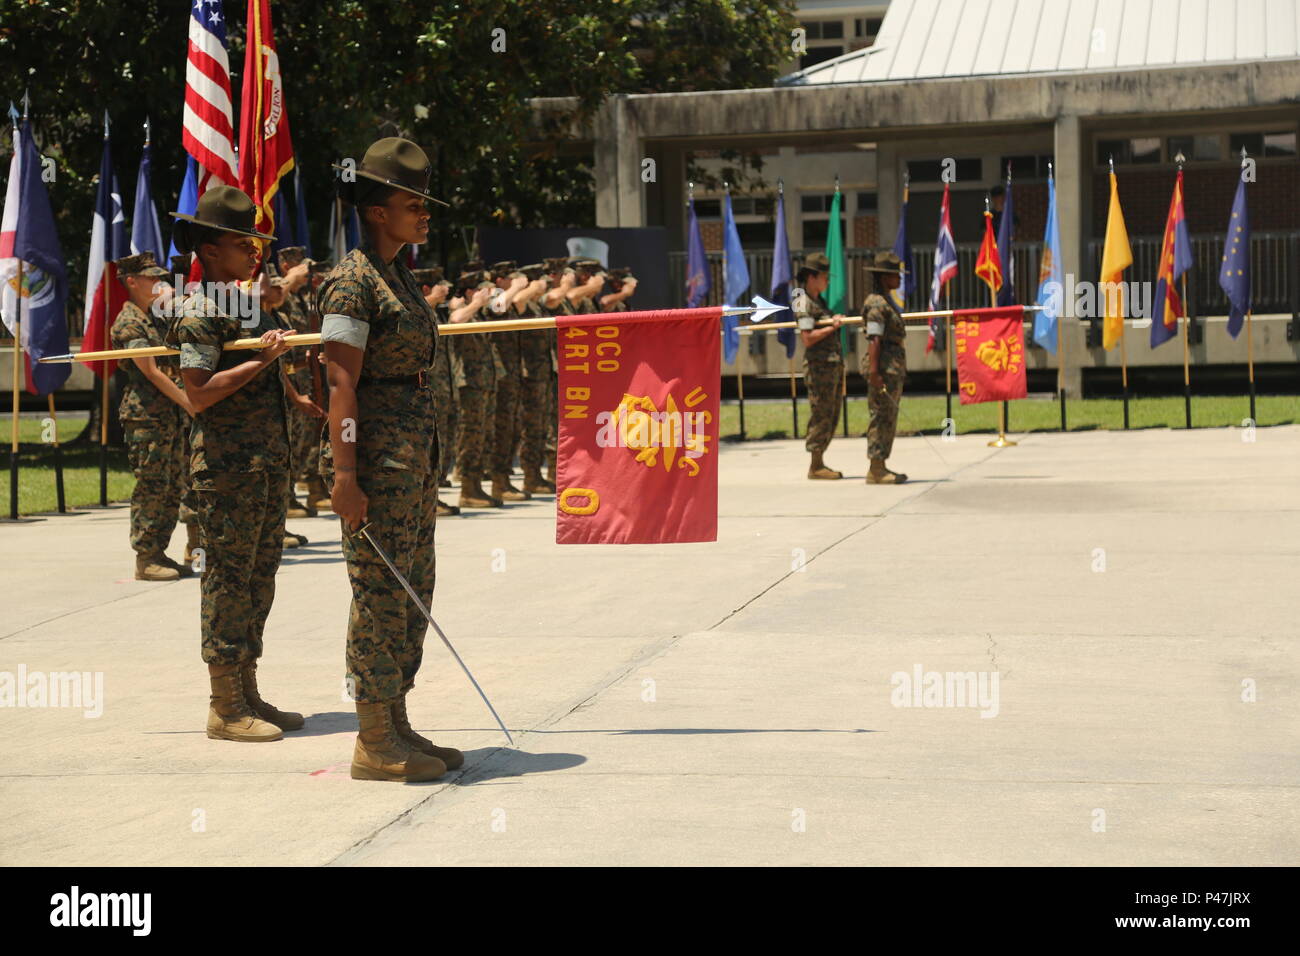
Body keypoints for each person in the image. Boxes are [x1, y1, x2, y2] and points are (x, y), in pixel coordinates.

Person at [319, 137, 462, 782]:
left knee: (413, 592)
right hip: (375, 461)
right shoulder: (352, 282)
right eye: (413, 205)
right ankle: (372, 737)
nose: (424, 215)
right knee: (378, 594)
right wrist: (344, 475)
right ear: (377, 210)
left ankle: (396, 719)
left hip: (412, 461)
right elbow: (339, 383)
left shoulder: (399, 273)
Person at [168, 185, 303, 744]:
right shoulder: (200, 311)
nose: (256, 253)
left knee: (259, 578)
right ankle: (224, 706)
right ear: (210, 250)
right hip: (226, 469)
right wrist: (261, 358)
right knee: (228, 580)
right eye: (244, 243)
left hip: (264, 463)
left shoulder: (243, 305)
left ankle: (247, 689)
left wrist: (290, 389)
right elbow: (197, 392)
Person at [110, 252, 195, 581]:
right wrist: (189, 402)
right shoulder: (129, 321)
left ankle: (159, 551)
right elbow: (152, 372)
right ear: (131, 281)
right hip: (146, 416)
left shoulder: (155, 317)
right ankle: (145, 557)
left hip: (167, 414)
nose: (157, 282)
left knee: (173, 485)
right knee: (152, 486)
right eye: (150, 277)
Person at [793, 252, 846, 479]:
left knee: (832, 413)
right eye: (825, 276)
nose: (828, 281)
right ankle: (815, 465)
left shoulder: (819, 302)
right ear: (812, 277)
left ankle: (820, 461)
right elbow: (807, 337)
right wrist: (832, 327)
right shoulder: (802, 302)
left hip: (831, 366)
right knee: (821, 413)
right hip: (819, 368)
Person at [413, 266, 459, 517]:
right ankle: (425, 498)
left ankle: (433, 495)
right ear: (426, 289)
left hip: (441, 386)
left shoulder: (434, 313)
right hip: (426, 387)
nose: (447, 289)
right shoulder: (419, 310)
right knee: (428, 446)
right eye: (440, 285)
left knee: (442, 444)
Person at [860, 250, 909, 484]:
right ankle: (876, 468)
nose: (899, 278)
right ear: (882, 277)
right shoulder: (876, 303)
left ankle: (881, 464)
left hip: (892, 366)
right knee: (880, 416)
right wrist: (874, 371)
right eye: (894, 274)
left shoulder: (886, 300)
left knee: (888, 417)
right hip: (883, 368)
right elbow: (874, 339)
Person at [486, 260, 531, 502]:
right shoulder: (495, 294)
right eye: (510, 278)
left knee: (512, 428)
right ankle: (497, 482)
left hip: (512, 371)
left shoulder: (511, 295)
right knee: (501, 430)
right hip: (499, 373)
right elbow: (498, 307)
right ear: (499, 280)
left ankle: (503, 480)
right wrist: (515, 288)